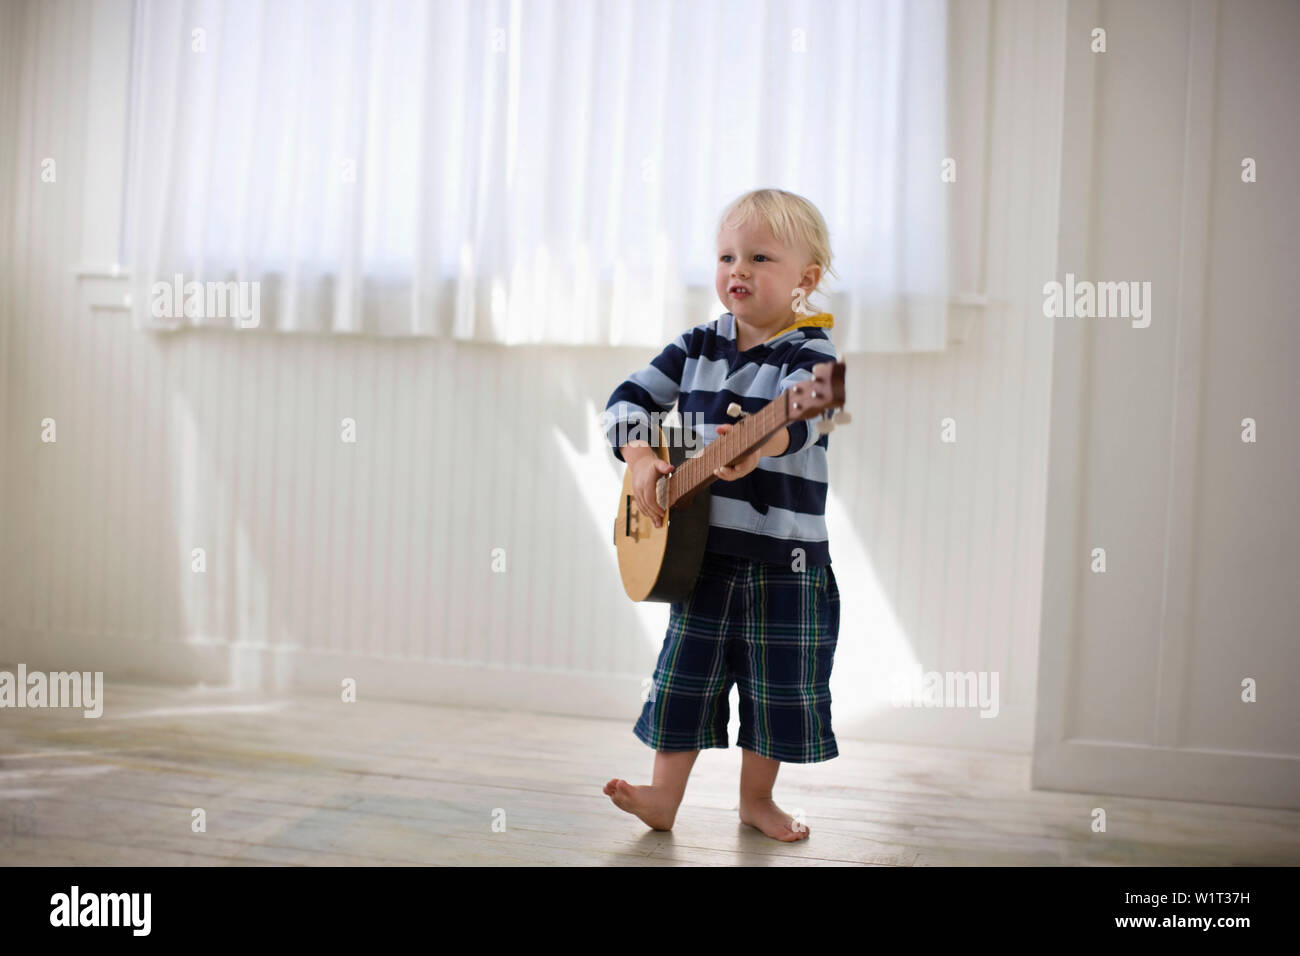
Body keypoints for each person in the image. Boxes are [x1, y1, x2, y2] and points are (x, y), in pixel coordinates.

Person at [601, 188, 842, 842]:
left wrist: (763, 440)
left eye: (759, 257)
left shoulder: (812, 357)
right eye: (727, 255)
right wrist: (644, 456)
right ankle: (661, 797)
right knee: (684, 679)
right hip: (700, 556)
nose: (737, 269)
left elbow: (815, 413)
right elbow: (626, 400)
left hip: (785, 563)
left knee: (776, 689)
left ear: (805, 281)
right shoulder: (696, 346)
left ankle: (756, 801)